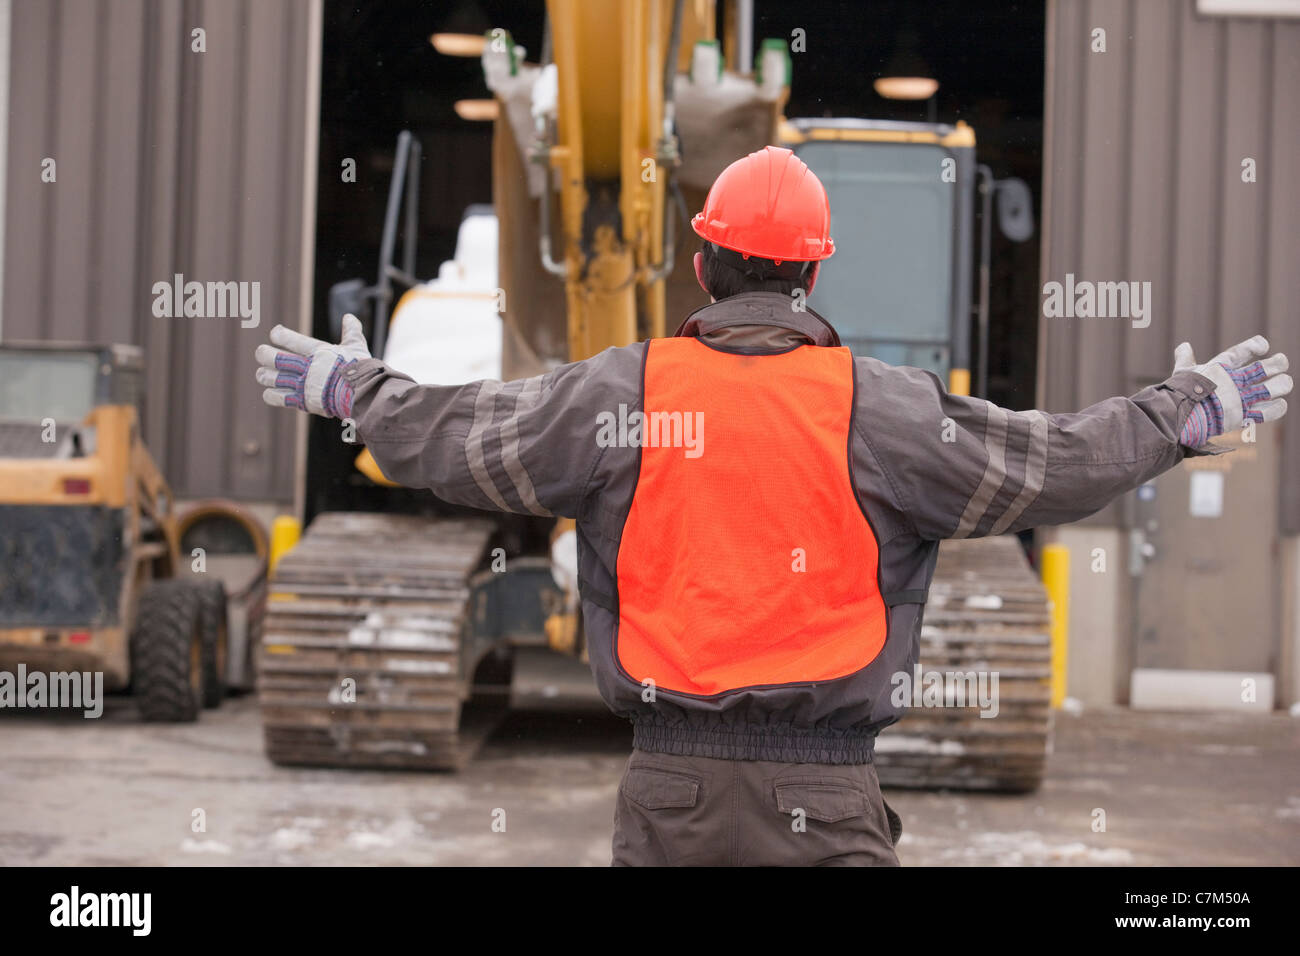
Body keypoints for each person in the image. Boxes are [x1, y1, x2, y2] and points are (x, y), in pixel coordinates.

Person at [256, 145, 1291, 866]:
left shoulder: (622, 393)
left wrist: (356, 390)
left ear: (702, 266)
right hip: (828, 800)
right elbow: (1054, 461)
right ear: (811, 273)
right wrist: (1180, 413)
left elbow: (461, 440)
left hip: (671, 799)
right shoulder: (881, 411)